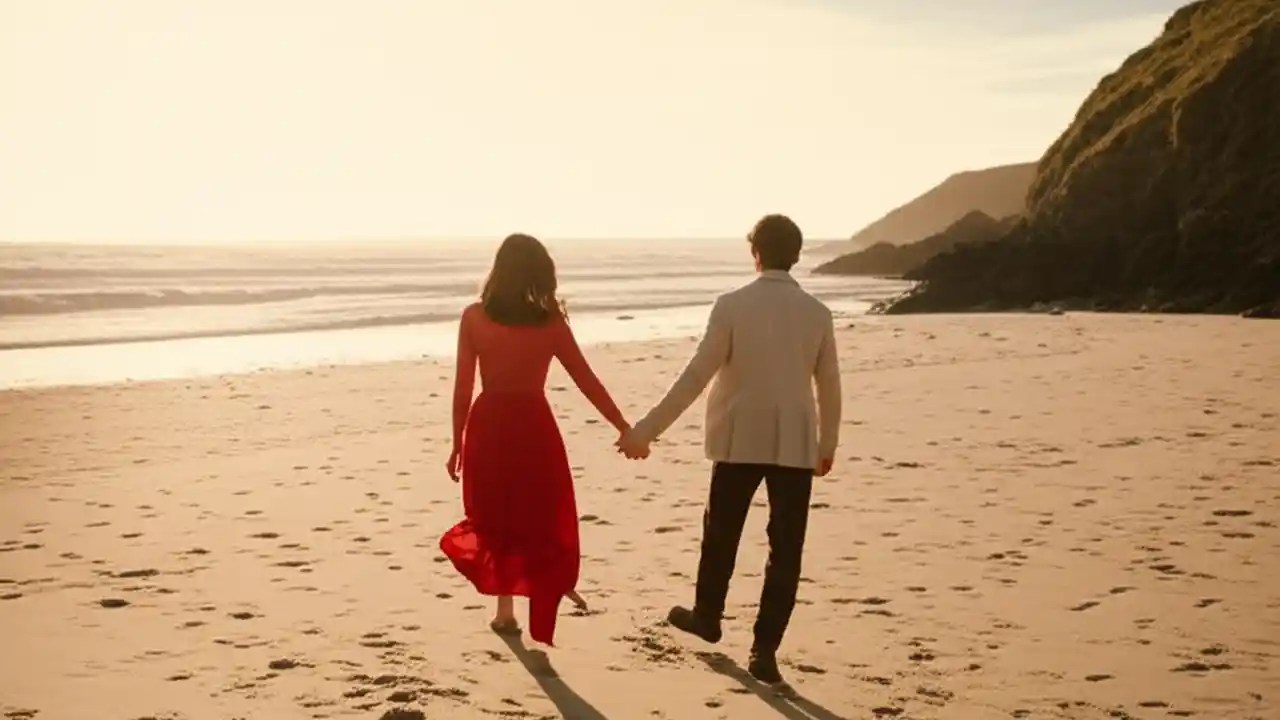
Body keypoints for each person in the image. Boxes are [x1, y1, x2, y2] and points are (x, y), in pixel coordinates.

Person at [617, 214, 842, 685]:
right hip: (796, 444)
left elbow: (695, 378)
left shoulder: (731, 306)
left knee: (721, 533)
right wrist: (827, 443)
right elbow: (829, 388)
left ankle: (708, 616)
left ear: (755, 253)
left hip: (739, 439)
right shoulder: (817, 314)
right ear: (796, 256)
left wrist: (645, 431)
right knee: (786, 549)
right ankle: (764, 649)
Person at [440, 233, 630, 647]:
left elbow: (462, 388)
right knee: (537, 513)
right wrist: (621, 425)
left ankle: (505, 611)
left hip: (489, 426)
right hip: (533, 426)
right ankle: (544, 589)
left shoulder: (474, 317)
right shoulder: (549, 323)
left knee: (496, 515)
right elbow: (586, 379)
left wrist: (457, 441)